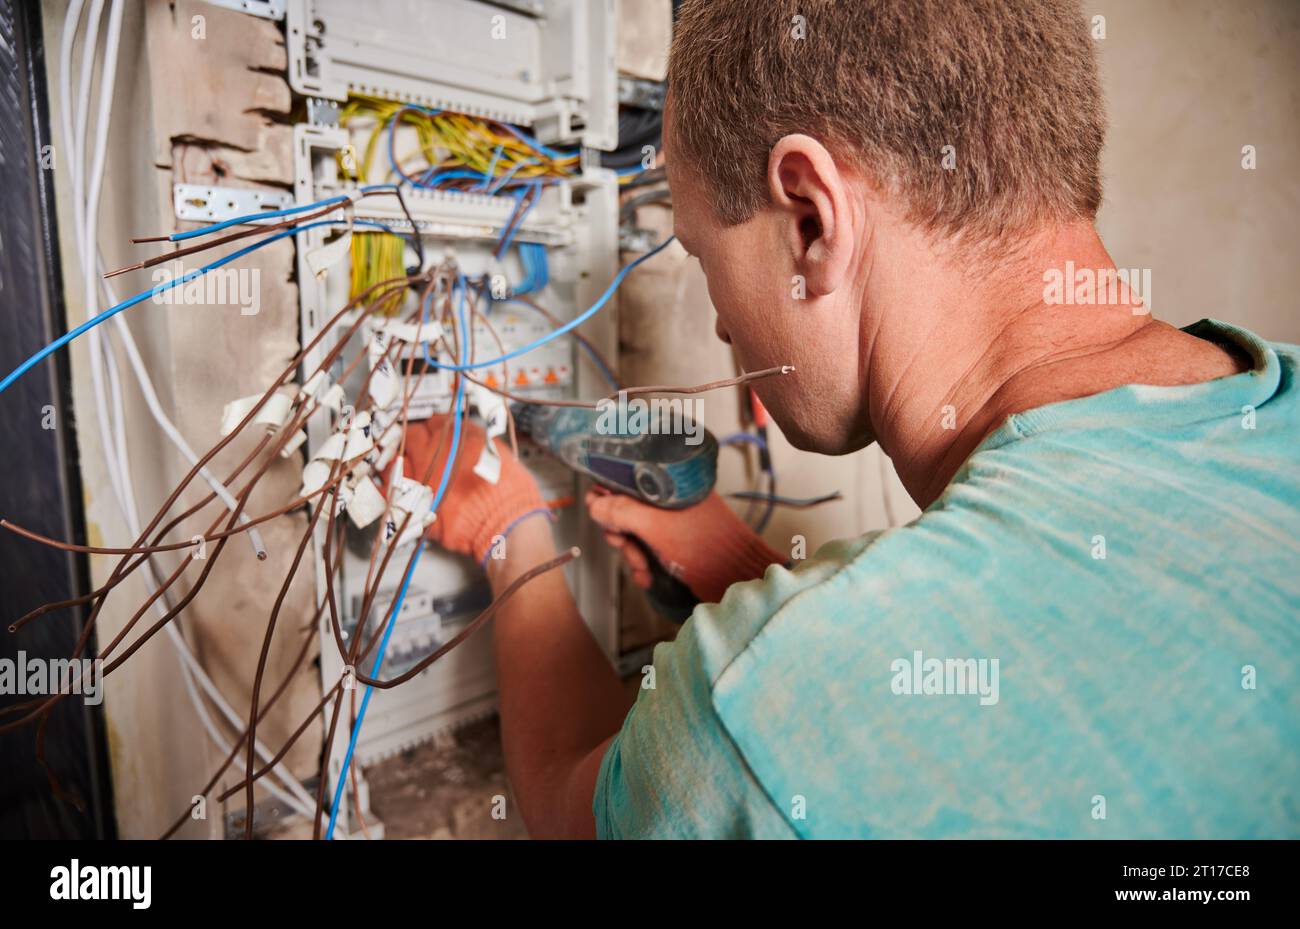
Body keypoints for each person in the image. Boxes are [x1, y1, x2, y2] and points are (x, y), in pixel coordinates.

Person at [401, 0, 1300, 838]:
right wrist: (748, 587)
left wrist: (508, 527)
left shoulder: (766, 696)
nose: (719, 319)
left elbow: (568, 804)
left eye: (703, 255)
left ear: (810, 218)